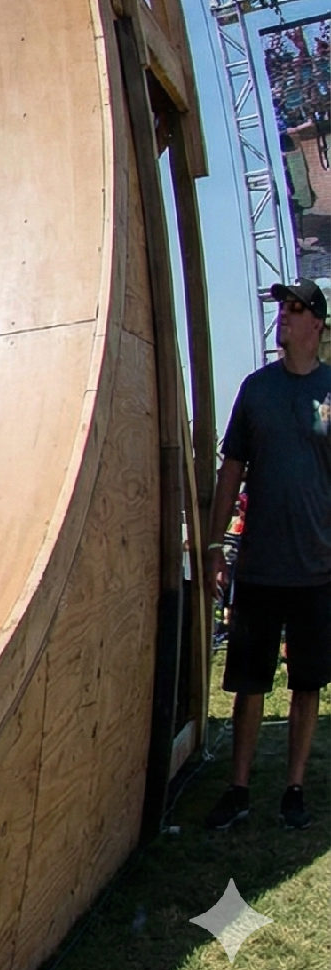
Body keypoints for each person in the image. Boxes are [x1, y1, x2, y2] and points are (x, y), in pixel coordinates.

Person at [203, 280, 331, 832]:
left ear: (318, 326)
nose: (284, 316)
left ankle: (294, 790)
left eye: (296, 309)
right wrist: (212, 547)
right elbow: (230, 469)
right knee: (249, 685)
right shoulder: (256, 390)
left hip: (319, 572)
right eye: (281, 308)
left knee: (307, 684)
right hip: (259, 568)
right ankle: (239, 788)